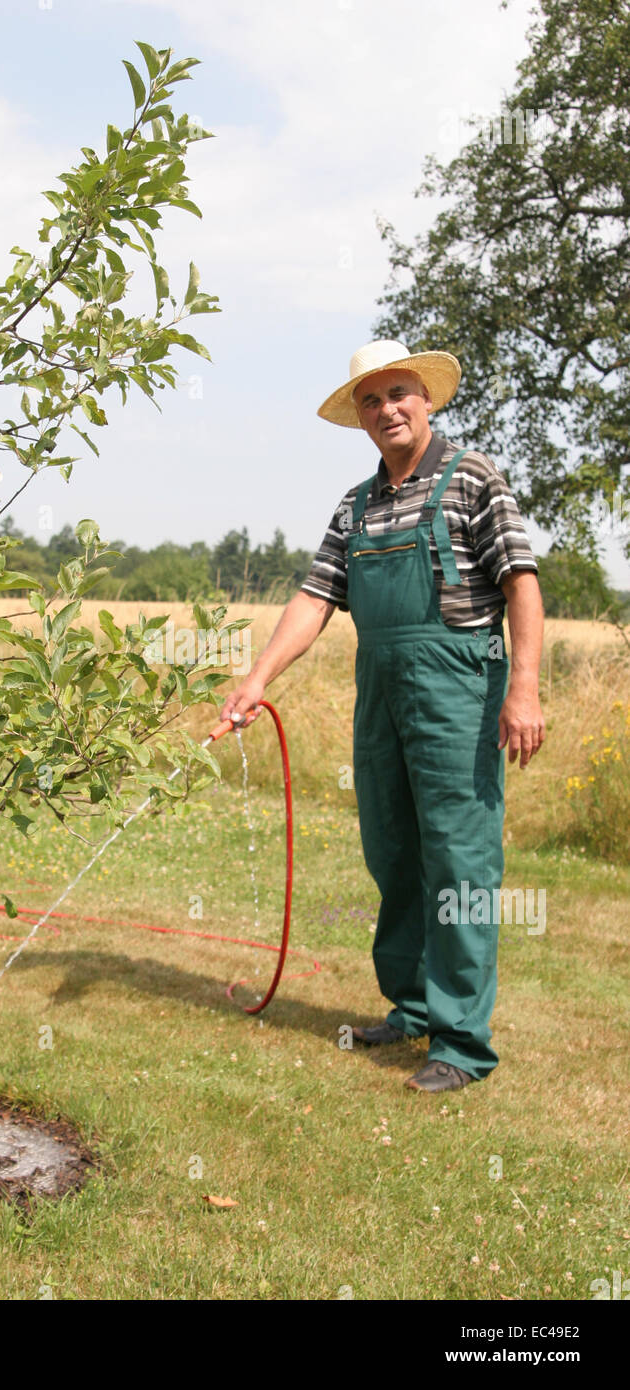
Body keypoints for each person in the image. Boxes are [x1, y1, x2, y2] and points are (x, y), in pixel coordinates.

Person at [219, 339, 545, 1093]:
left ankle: (460, 1043)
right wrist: (257, 677)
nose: (388, 409)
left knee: (459, 863)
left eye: (400, 393)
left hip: (460, 693)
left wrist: (523, 690)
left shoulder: (472, 479)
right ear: (360, 416)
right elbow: (315, 598)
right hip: (383, 697)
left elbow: (521, 583)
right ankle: (413, 1002)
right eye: (372, 399)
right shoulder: (356, 503)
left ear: (425, 400)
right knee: (394, 854)